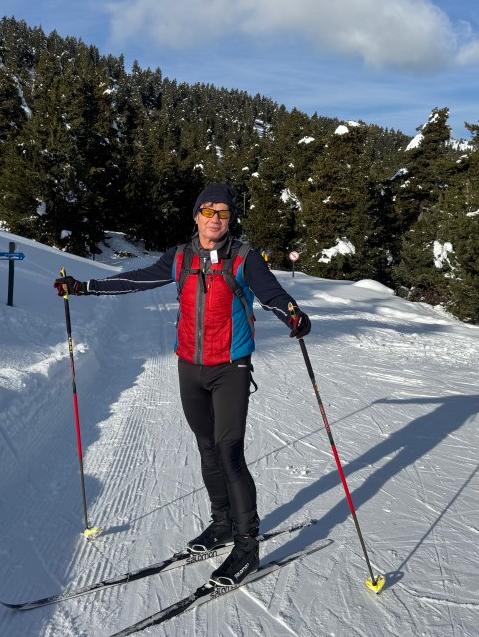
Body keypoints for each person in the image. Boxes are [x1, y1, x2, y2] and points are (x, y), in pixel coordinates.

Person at [53, 182, 311, 585]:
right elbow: (135, 280)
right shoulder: (179, 258)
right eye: (208, 211)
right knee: (206, 447)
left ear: (230, 219)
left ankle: (247, 546)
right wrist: (84, 287)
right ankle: (222, 523)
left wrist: (293, 315)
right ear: (196, 215)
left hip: (230, 367)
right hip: (189, 366)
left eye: (223, 213)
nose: (214, 219)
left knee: (229, 452)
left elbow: (272, 294)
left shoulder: (245, 258)